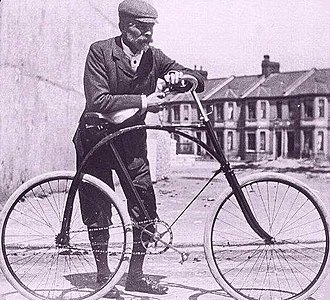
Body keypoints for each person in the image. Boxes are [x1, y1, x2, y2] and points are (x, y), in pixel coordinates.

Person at [73, 0, 204, 297]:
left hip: (131, 141)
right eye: (141, 28)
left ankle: (135, 276)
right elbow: (99, 100)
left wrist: (182, 78)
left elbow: (196, 78)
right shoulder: (100, 52)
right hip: (95, 139)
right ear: (123, 26)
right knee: (98, 209)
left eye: (150, 29)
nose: (147, 35)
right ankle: (104, 276)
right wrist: (146, 102)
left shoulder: (153, 56)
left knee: (145, 205)